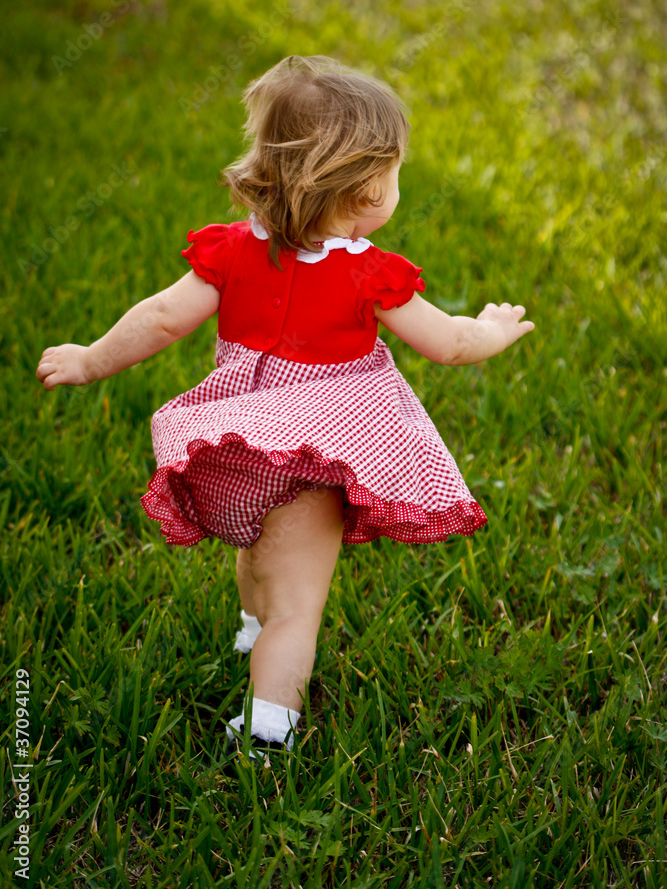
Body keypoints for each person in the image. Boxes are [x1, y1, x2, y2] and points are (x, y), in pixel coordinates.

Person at [35, 55, 534, 768]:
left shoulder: (233, 252)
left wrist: (89, 359)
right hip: (315, 453)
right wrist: (492, 328)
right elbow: (449, 344)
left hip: (237, 444)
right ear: (367, 191)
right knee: (299, 606)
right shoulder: (369, 272)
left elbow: (160, 318)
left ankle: (250, 627)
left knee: (254, 546)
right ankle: (268, 729)